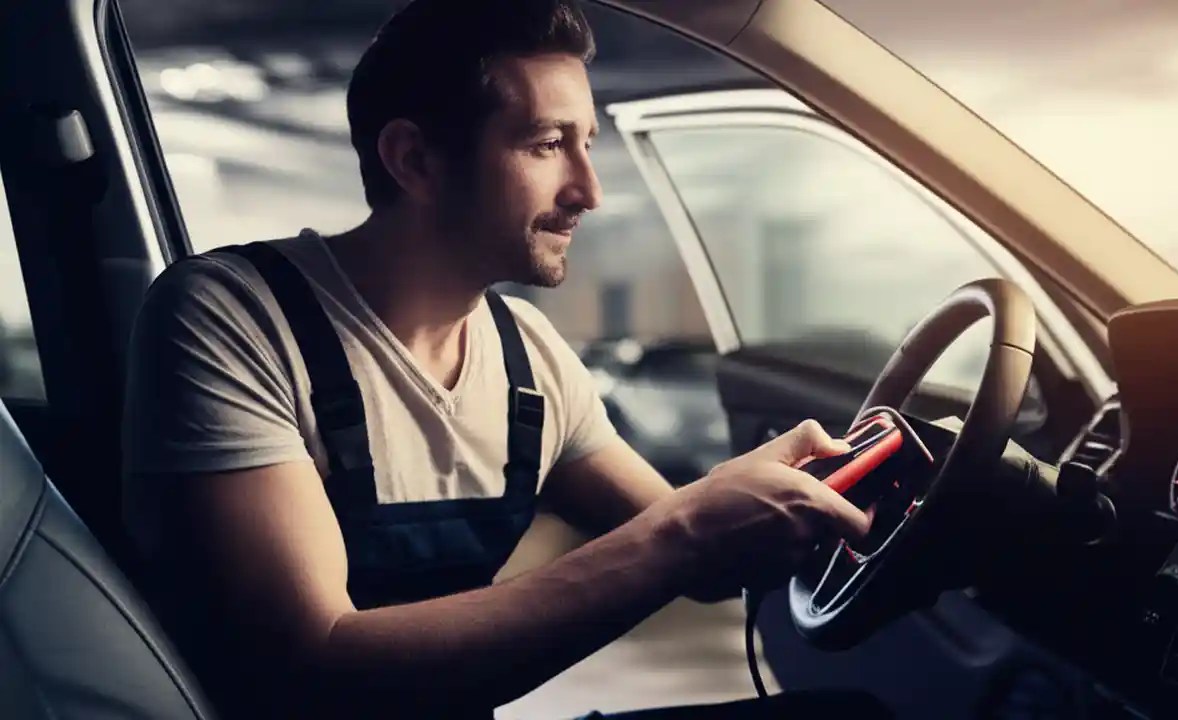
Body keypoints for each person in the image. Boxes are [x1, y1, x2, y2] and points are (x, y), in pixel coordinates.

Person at [120, 1, 887, 717]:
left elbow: (705, 559)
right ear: (415, 159)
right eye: (547, 145)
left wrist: (784, 495)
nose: (588, 190)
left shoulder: (530, 354)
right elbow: (314, 659)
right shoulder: (231, 316)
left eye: (587, 145)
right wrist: (685, 532)